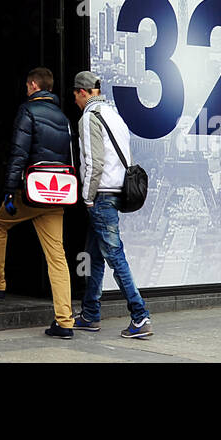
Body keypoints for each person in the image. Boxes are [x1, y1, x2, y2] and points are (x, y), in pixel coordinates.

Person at [0, 67, 75, 338]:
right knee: (57, 256)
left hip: (32, 191)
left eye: (27, 86)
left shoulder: (27, 112)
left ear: (32, 85)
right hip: (58, 192)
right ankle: (65, 321)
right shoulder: (63, 117)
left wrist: (8, 190)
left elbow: (18, 153)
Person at [72, 71, 150, 339]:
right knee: (93, 255)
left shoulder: (89, 118)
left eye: (75, 95)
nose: (75, 100)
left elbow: (94, 162)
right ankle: (90, 314)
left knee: (115, 257)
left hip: (101, 195)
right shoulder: (113, 115)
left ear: (82, 92)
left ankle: (140, 316)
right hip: (115, 191)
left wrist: (87, 197)